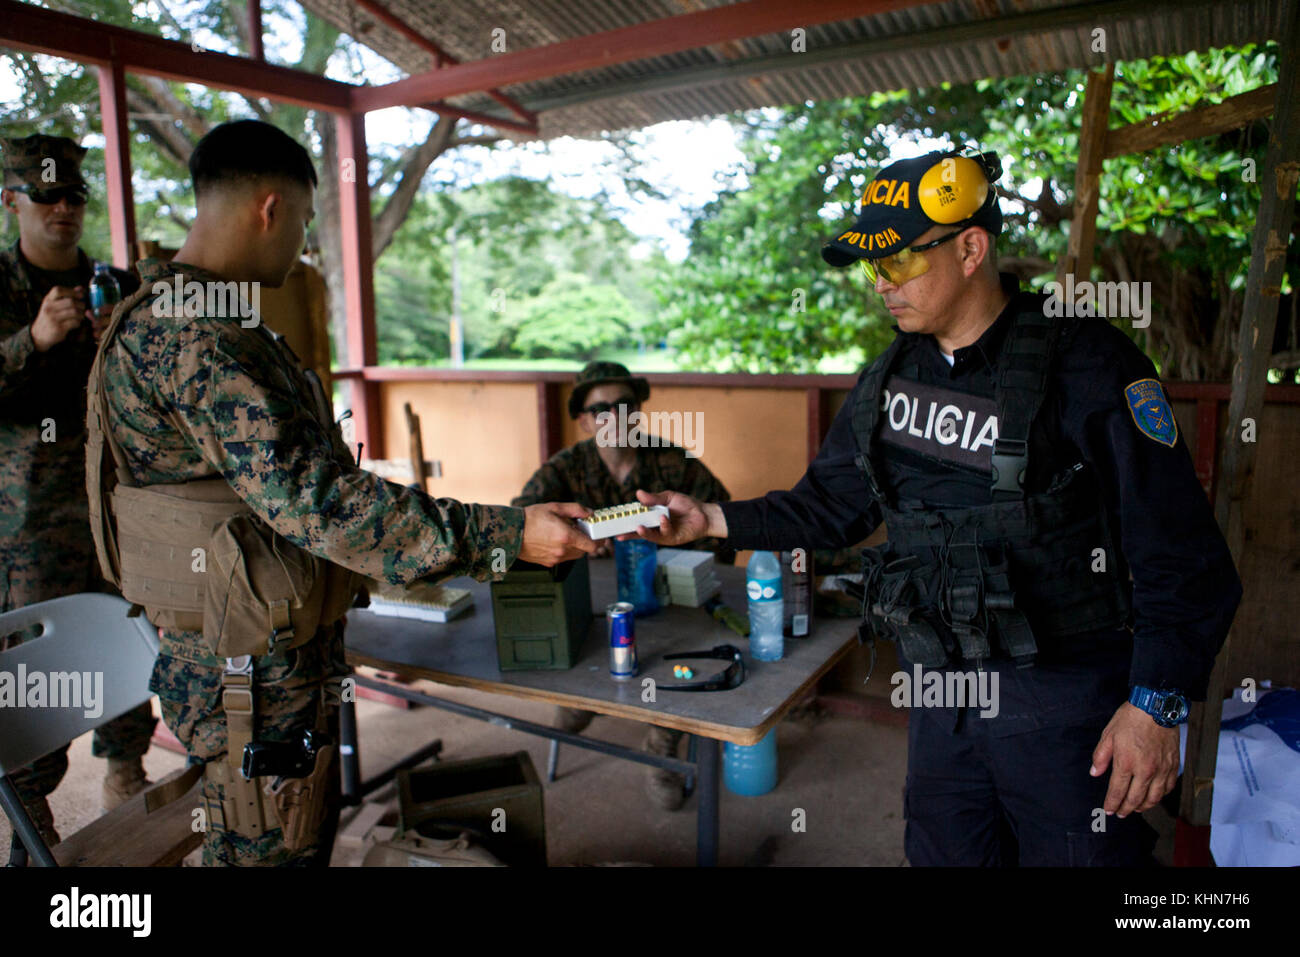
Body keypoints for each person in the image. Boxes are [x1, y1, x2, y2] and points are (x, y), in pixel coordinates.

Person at [632, 146, 1242, 865]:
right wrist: (712, 520)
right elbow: (832, 504)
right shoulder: (887, 380)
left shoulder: (1090, 365)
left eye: (896, 262)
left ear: (971, 247)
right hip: (941, 694)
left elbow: (1184, 557)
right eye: (872, 267)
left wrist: (1156, 707)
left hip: (1068, 699)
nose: (881, 286)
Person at [87, 119, 595, 866]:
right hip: (252, 675)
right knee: (272, 848)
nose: (300, 244)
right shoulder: (200, 337)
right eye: (299, 221)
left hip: (248, 654)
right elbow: (317, 502)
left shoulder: (184, 316)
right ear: (269, 209)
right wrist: (507, 533)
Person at [0, 133, 157, 846]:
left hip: (117, 505)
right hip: (31, 519)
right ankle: (29, 826)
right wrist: (30, 339)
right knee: (42, 667)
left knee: (130, 636)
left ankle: (127, 775)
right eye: (46, 195)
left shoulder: (116, 283)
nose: (63, 209)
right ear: (13, 201)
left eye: (74, 197)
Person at [513, 360, 732, 810]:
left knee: (678, 651)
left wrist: (685, 566)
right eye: (601, 409)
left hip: (669, 594)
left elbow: (725, 519)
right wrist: (570, 542)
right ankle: (583, 701)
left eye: (625, 405)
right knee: (584, 640)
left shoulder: (673, 461)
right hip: (593, 599)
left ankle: (662, 748)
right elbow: (521, 520)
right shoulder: (564, 468)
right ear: (582, 420)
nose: (614, 418)